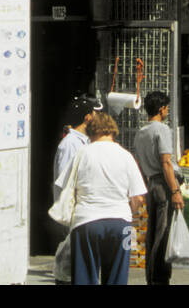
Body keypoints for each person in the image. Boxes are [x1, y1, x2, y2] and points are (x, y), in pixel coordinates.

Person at [62, 111, 146, 285]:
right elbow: (138, 198)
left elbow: (67, 187)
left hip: (86, 223)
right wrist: (125, 213)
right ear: (113, 130)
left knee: (84, 278)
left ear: (91, 130)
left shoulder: (81, 154)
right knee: (118, 278)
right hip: (121, 224)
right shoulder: (126, 156)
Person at [133, 91, 184, 285]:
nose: (167, 111)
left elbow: (138, 163)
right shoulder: (161, 130)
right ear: (162, 109)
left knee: (153, 232)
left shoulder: (141, 132)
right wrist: (175, 191)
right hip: (163, 185)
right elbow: (166, 163)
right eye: (167, 108)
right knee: (163, 234)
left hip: (150, 183)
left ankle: (151, 277)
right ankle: (160, 278)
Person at [49, 94, 100, 284]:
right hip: (73, 214)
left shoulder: (84, 142)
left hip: (82, 214)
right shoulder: (70, 144)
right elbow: (66, 182)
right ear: (87, 117)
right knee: (71, 268)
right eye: (95, 114)